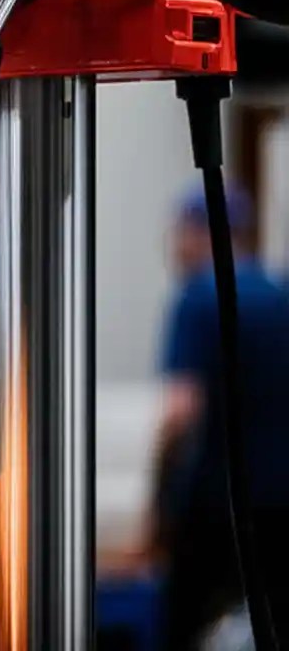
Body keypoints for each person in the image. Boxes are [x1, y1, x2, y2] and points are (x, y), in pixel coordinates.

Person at [147, 182, 289, 650]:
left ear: (197, 230)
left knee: (180, 627)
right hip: (282, 506)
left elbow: (181, 413)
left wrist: (157, 505)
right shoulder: (280, 296)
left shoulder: (198, 298)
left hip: (215, 507)